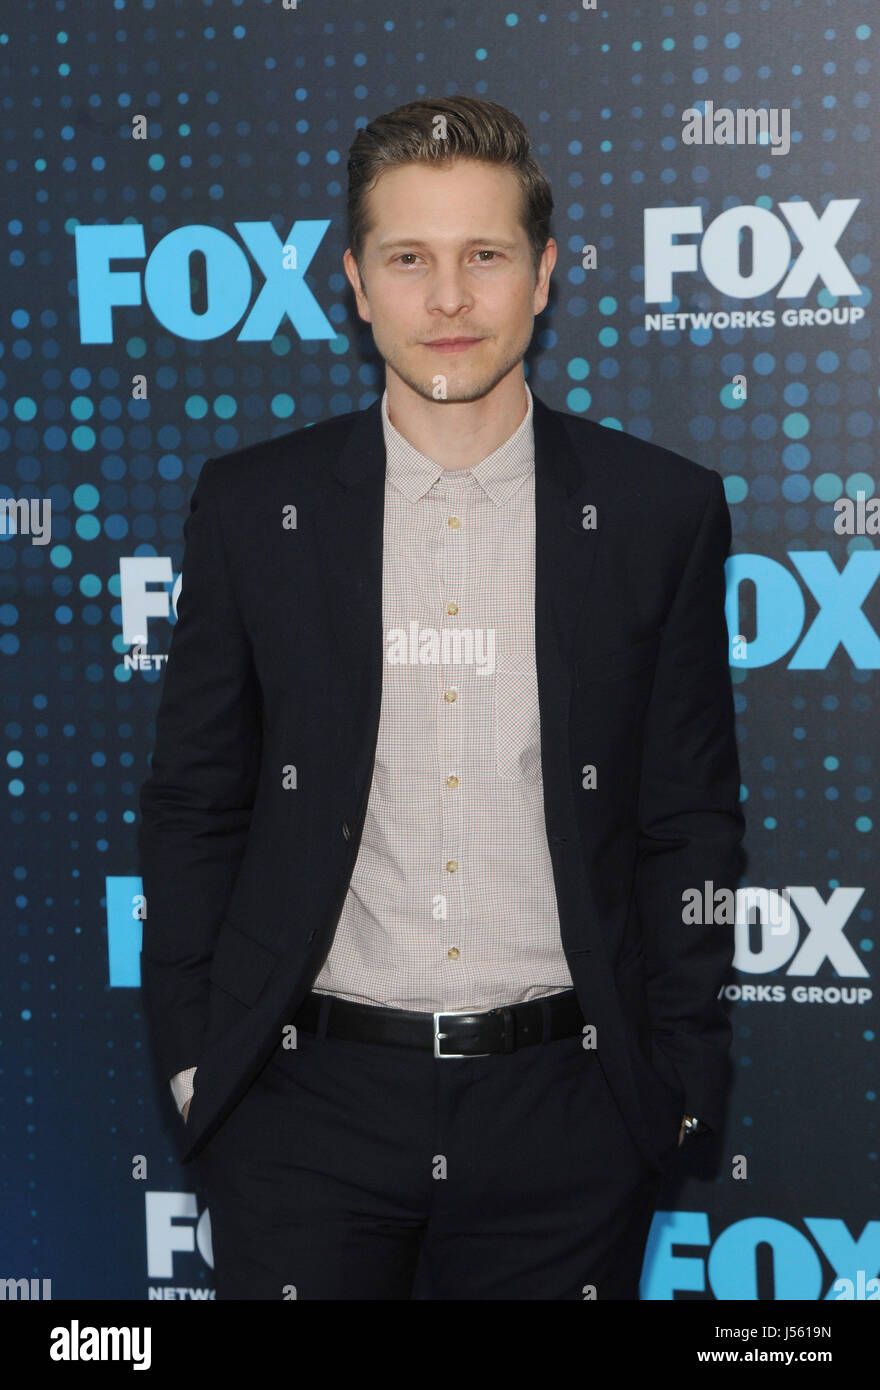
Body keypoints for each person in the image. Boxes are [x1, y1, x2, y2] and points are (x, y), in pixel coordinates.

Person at [138, 95, 745, 1300]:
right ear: (357, 282)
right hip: (301, 1107)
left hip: (568, 1111)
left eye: (485, 257)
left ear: (545, 276)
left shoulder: (656, 512)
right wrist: (200, 1064)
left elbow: (690, 816)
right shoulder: (256, 509)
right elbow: (195, 802)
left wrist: (678, 1076)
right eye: (410, 259)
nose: (450, 299)